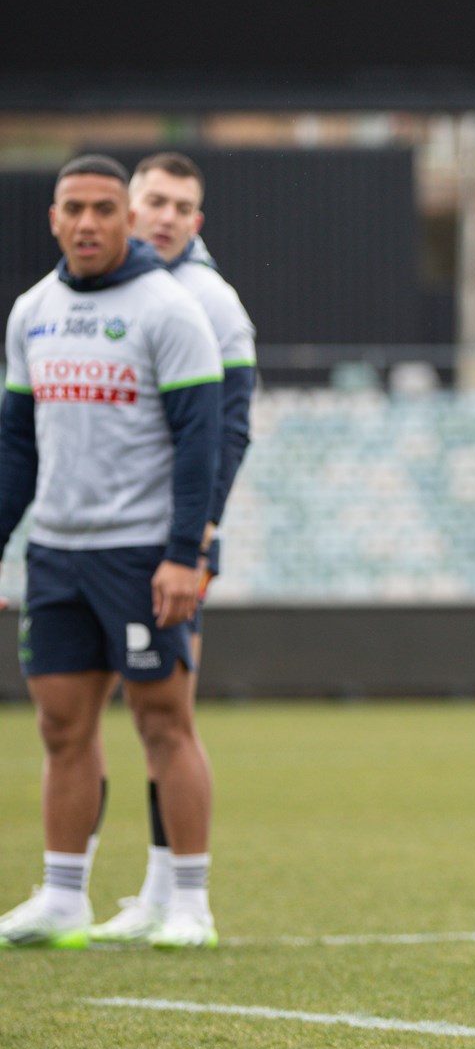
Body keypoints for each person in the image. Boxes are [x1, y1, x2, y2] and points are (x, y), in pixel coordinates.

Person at [0, 154, 223, 951]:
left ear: (126, 219)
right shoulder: (32, 311)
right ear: (53, 218)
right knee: (62, 727)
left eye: (104, 208)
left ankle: (189, 903)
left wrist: (180, 554)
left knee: (164, 722)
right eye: (74, 209)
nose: (89, 222)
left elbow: (201, 448)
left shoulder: (168, 309)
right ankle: (64, 897)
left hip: (139, 556)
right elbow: (16, 450)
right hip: (57, 556)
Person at [88, 151, 256, 947]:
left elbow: (229, 425)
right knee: (146, 714)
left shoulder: (207, 300)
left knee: (167, 713)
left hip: (172, 537)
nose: (162, 216)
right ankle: (158, 890)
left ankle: (187, 895)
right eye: (153, 200)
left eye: (179, 207)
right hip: (112, 533)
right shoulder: (118, 288)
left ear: (196, 222)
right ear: (128, 202)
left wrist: (204, 530)